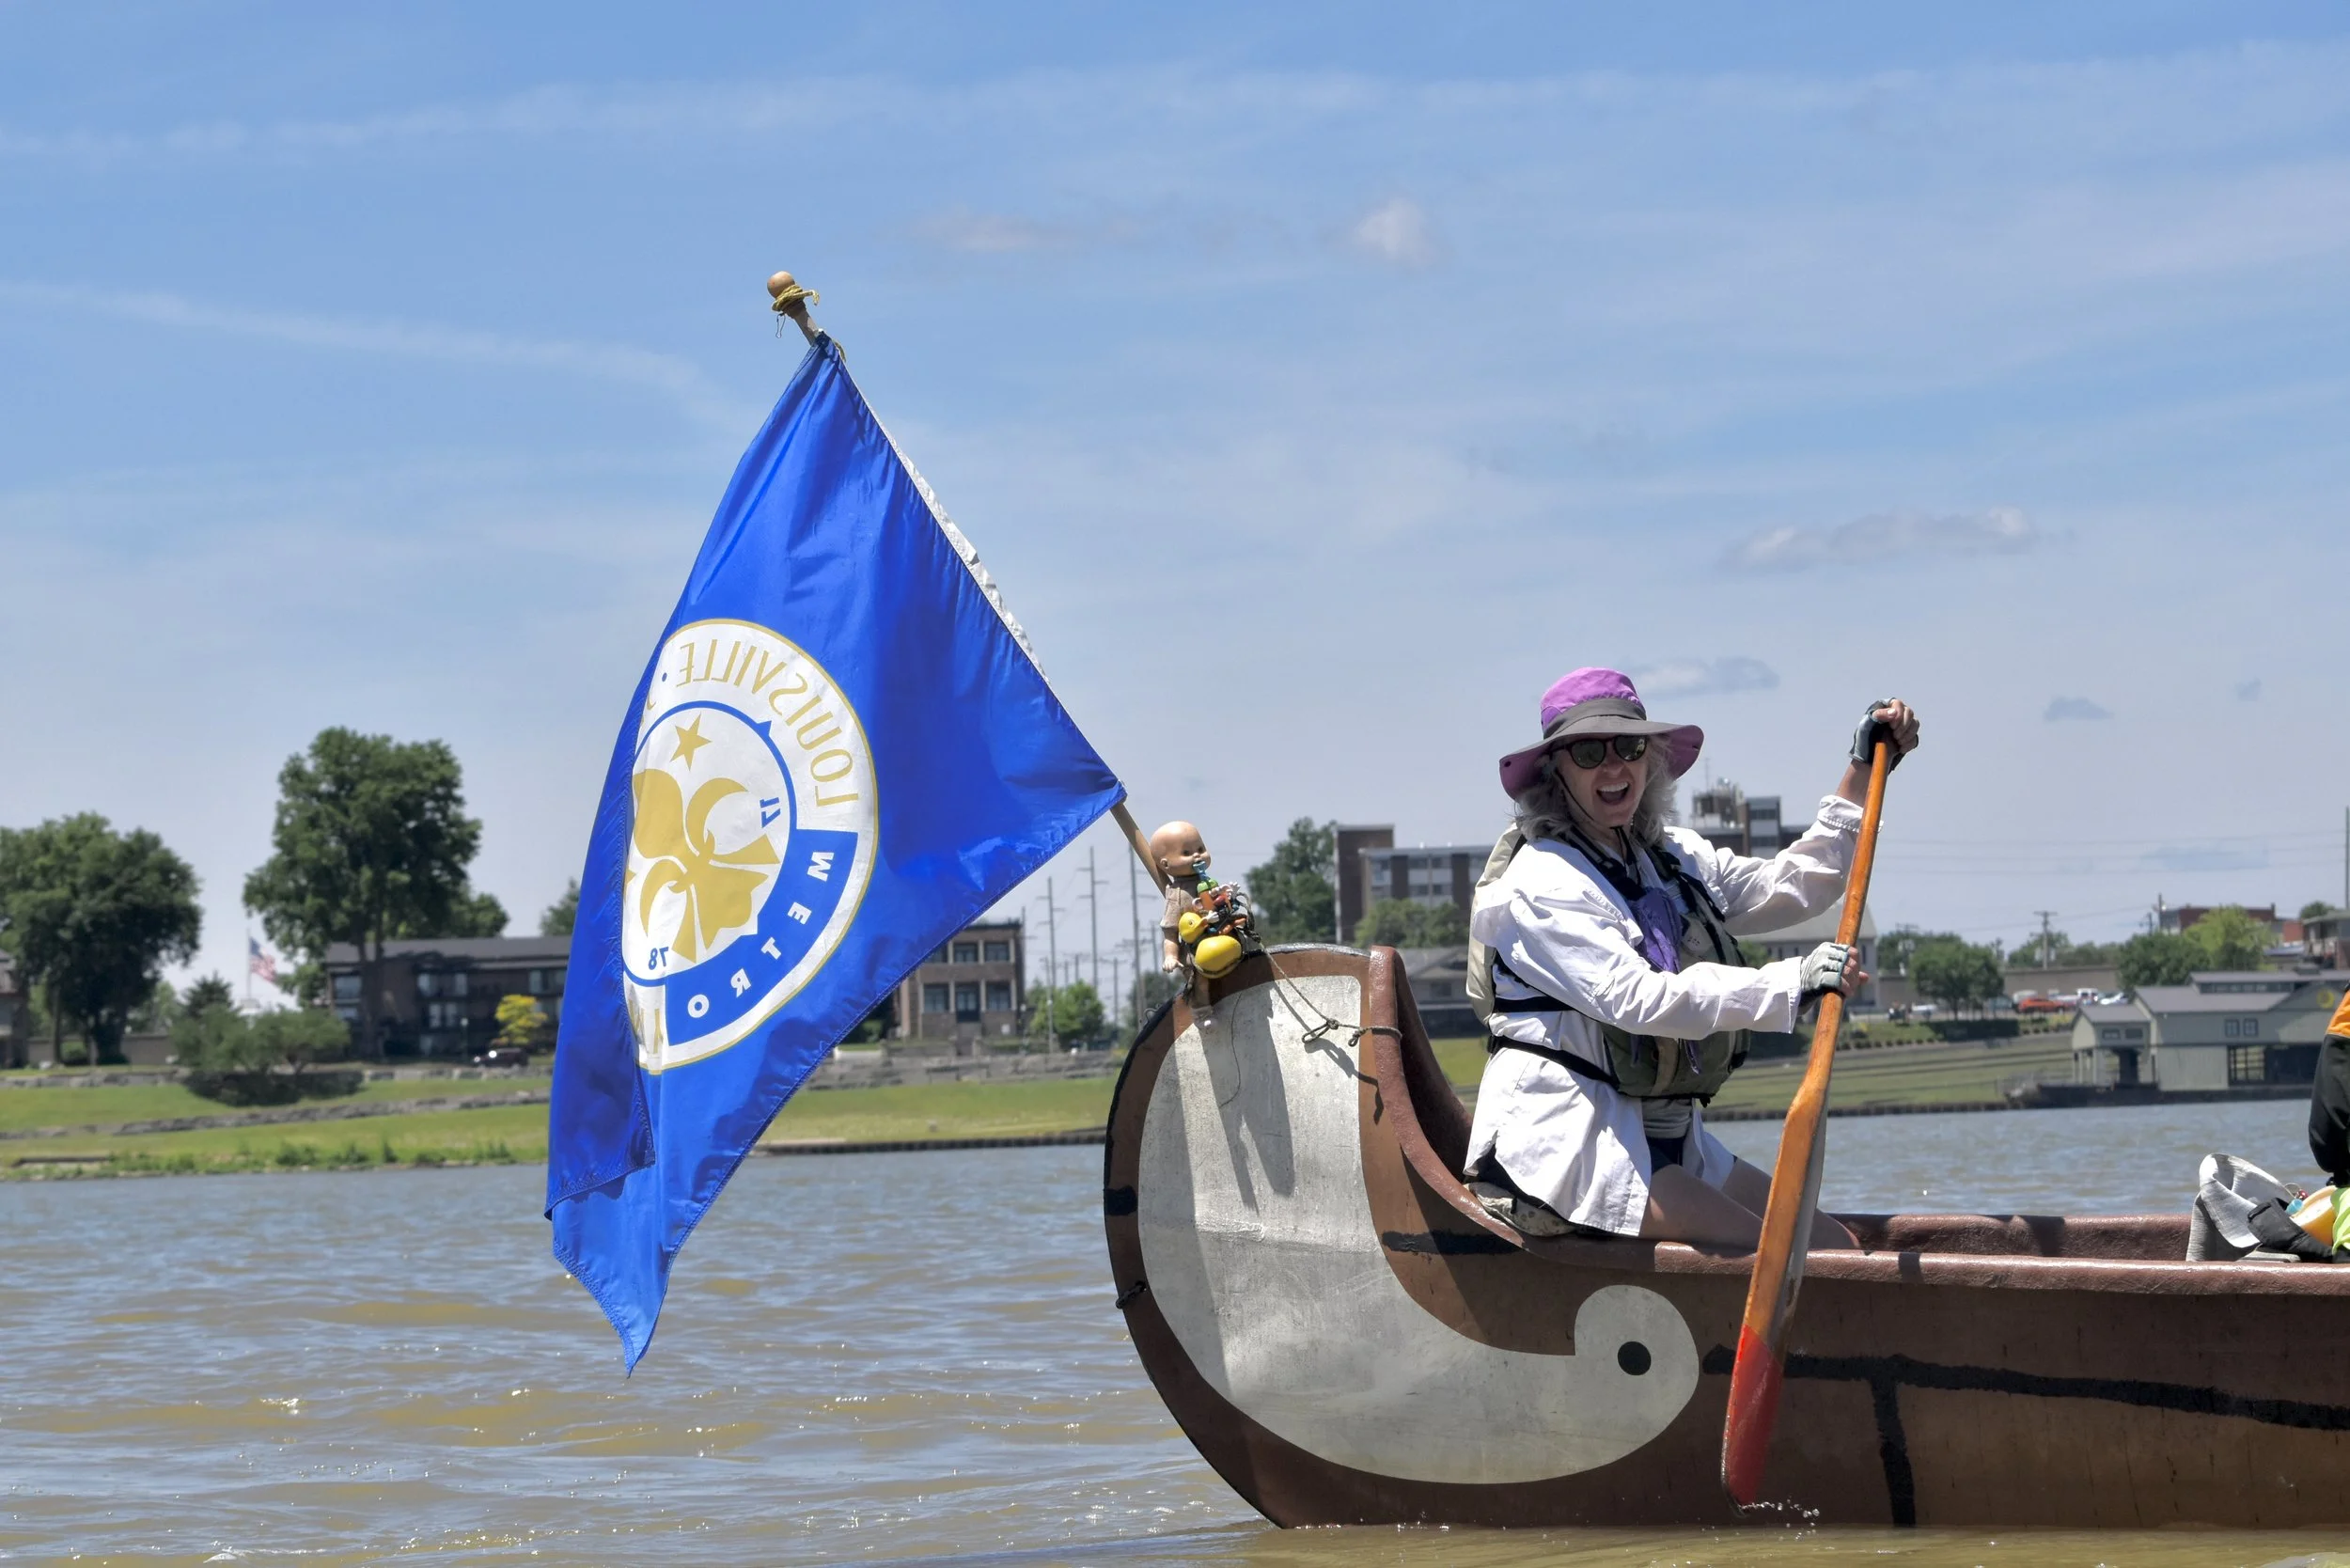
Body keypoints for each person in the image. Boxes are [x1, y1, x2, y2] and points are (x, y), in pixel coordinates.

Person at [1462, 666, 1919, 1250]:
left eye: (1628, 747)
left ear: (1650, 759)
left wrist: (1862, 769)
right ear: (1556, 772)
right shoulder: (1542, 880)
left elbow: (1798, 884)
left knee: (1837, 1252)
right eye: (1587, 751)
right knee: (1775, 1257)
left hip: (1673, 1139)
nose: (1612, 766)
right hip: (1563, 1153)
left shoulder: (1671, 857)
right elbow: (1639, 999)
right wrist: (1788, 983)